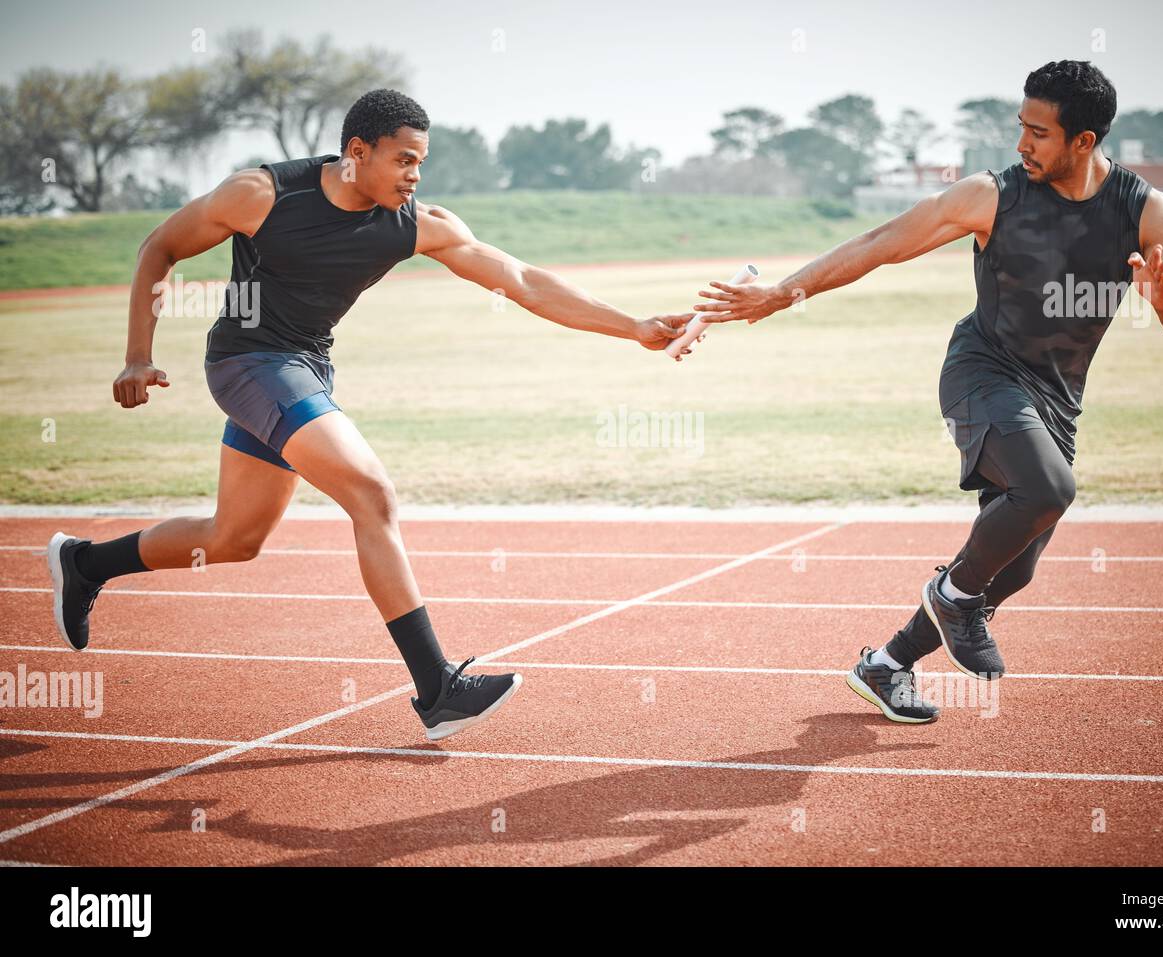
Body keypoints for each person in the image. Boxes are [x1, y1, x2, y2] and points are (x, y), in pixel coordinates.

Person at [46, 89, 693, 742]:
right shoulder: (262, 195)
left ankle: (85, 564)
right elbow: (160, 247)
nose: (415, 176)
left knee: (234, 538)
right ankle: (437, 687)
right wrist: (137, 356)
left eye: (422, 163)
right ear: (357, 153)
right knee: (371, 492)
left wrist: (634, 326)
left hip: (305, 369)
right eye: (405, 160)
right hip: (247, 361)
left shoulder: (413, 222)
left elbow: (522, 281)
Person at [691, 61, 1163, 723]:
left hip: (1056, 401)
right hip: (982, 375)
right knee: (1046, 494)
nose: (1022, 144)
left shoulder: (1147, 210)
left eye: (1039, 133)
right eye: (1020, 127)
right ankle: (953, 593)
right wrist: (782, 293)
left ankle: (886, 664)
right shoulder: (990, 196)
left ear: (1085, 141)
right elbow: (883, 242)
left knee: (1011, 570)